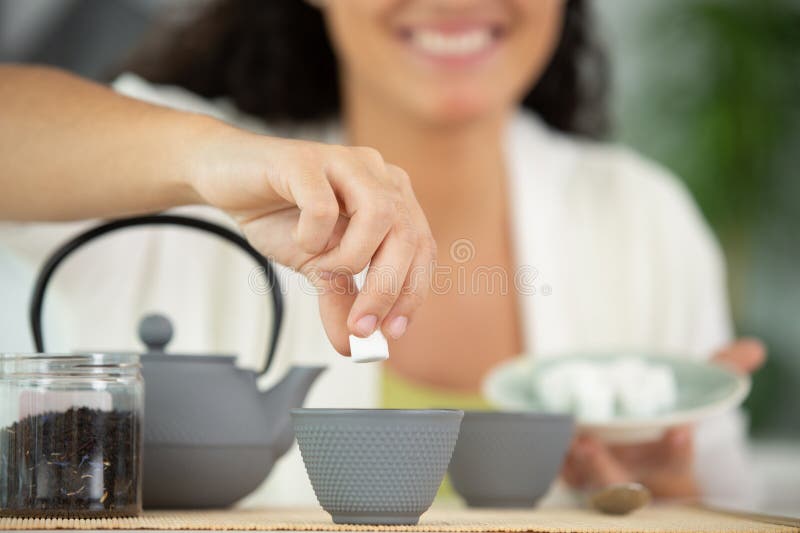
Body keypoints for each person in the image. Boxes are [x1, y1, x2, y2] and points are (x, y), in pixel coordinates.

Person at [0, 0, 765, 506]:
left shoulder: (644, 218)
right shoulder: (177, 173)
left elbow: (726, 498)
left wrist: (672, 503)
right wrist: (205, 160)